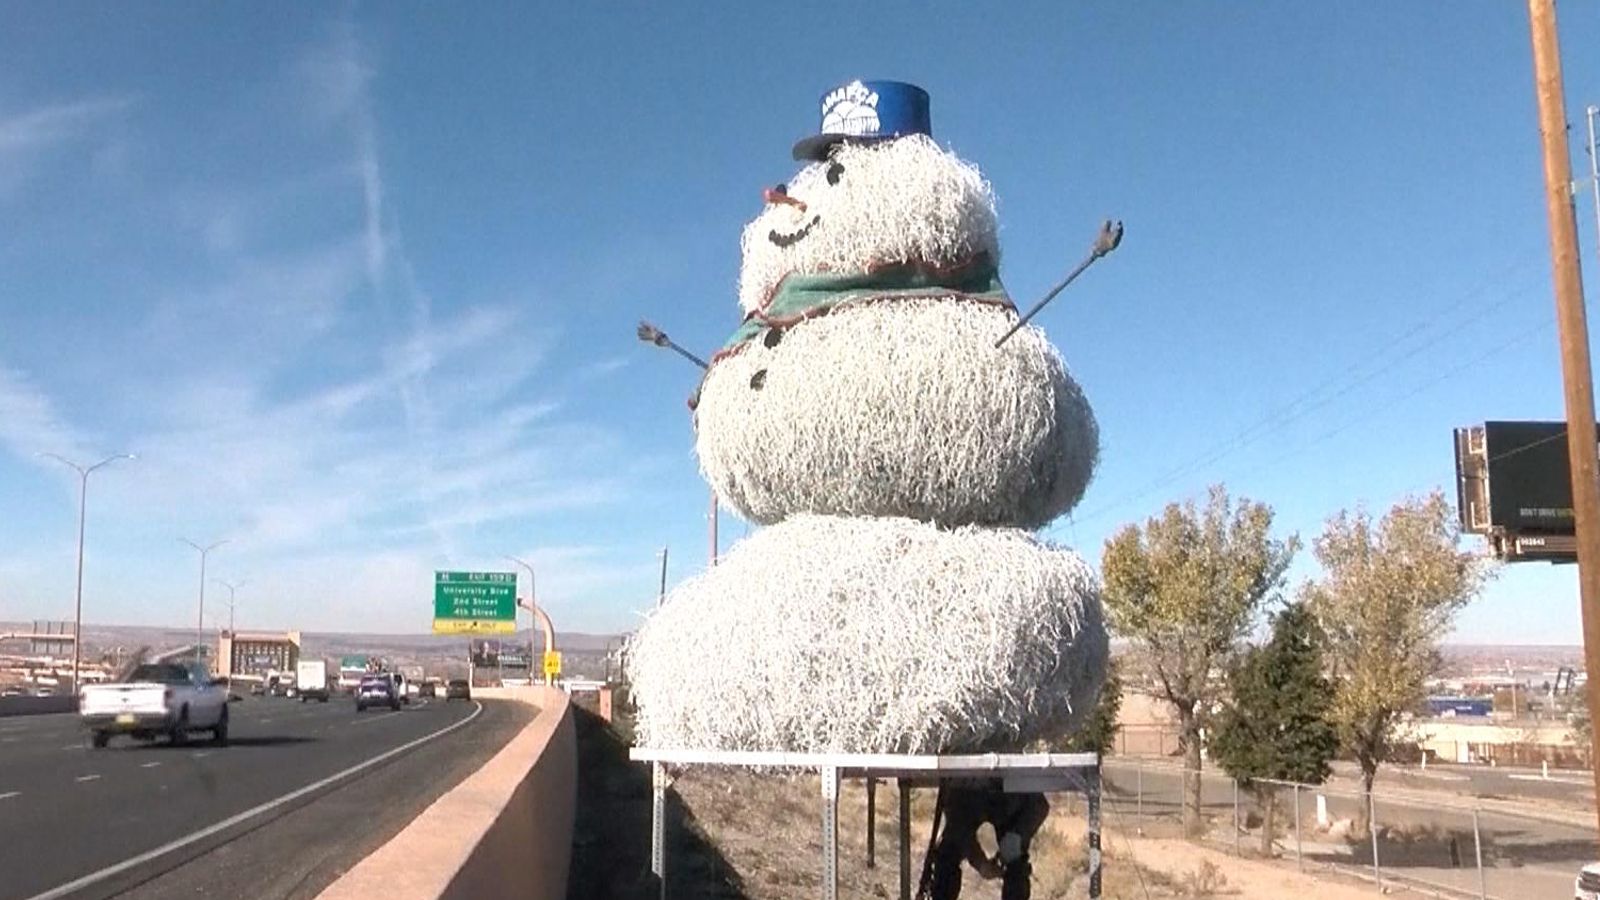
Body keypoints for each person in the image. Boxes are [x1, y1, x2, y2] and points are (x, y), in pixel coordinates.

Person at [927, 779, 1050, 900]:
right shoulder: (963, 792)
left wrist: (1017, 835)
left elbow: (1040, 805)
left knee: (1014, 859)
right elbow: (959, 829)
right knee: (949, 855)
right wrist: (980, 863)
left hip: (1004, 791)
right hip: (971, 787)